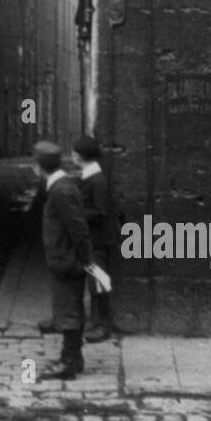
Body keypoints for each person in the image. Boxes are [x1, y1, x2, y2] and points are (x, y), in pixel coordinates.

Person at [33, 141, 93, 380]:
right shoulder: (62, 185)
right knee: (71, 307)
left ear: (37, 167)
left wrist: (86, 260)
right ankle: (75, 358)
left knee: (67, 310)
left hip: (66, 260)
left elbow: (78, 228)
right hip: (67, 258)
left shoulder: (60, 189)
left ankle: (67, 362)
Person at [73, 135, 121, 342]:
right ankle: (95, 322)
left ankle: (103, 325)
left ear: (79, 156)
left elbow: (100, 211)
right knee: (95, 282)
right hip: (92, 239)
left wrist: (75, 215)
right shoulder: (89, 176)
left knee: (99, 283)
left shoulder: (97, 180)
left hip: (99, 240)